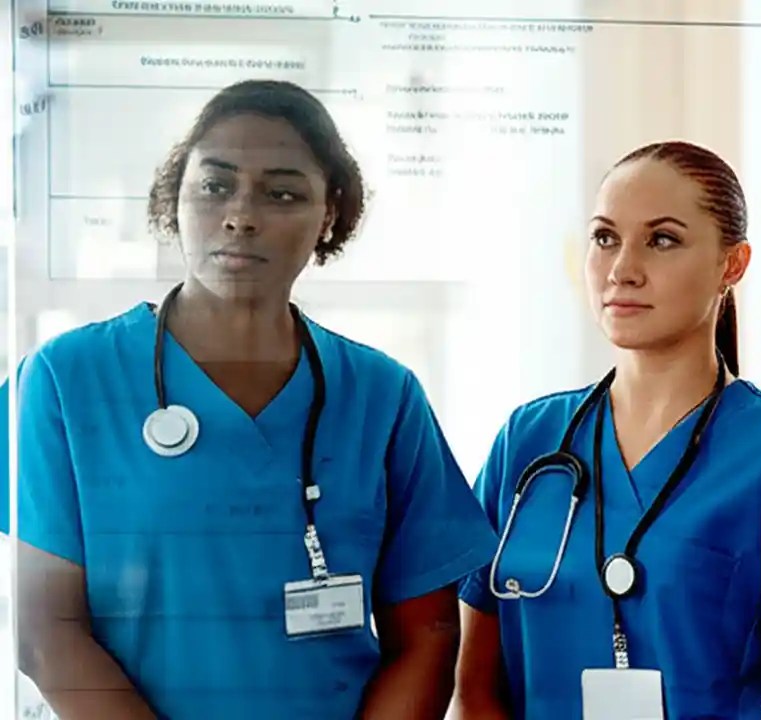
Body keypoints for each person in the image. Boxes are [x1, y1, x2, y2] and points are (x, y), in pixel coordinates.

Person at [13, 79, 497, 720]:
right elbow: (44, 630)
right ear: (173, 198)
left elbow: (428, 638)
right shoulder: (65, 379)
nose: (241, 215)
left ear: (329, 214)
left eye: (282, 193)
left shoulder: (383, 396)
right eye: (215, 186)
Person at [452, 141, 761, 719]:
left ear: (732, 264)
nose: (622, 269)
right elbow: (472, 690)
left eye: (661, 240)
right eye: (605, 238)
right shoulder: (529, 441)